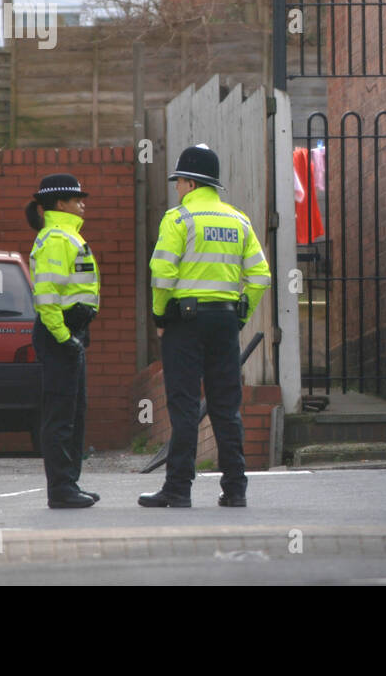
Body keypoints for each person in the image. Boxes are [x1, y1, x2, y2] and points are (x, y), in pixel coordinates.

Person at [139, 144, 272, 508]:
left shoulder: (178, 219)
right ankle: (235, 489)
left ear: (191, 183)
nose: (176, 189)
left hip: (184, 323)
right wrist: (239, 315)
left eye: (178, 182)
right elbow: (261, 276)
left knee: (183, 406)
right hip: (225, 322)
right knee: (226, 406)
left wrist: (161, 318)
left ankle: (178, 489)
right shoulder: (239, 220)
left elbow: (162, 274)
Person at [26, 173, 100, 509]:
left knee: (74, 411)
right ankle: (61, 489)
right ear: (60, 204)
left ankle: (69, 484)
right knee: (61, 414)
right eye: (76, 198)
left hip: (70, 333)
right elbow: (47, 296)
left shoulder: (66, 235)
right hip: (61, 334)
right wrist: (64, 336)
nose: (82, 202)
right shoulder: (57, 238)